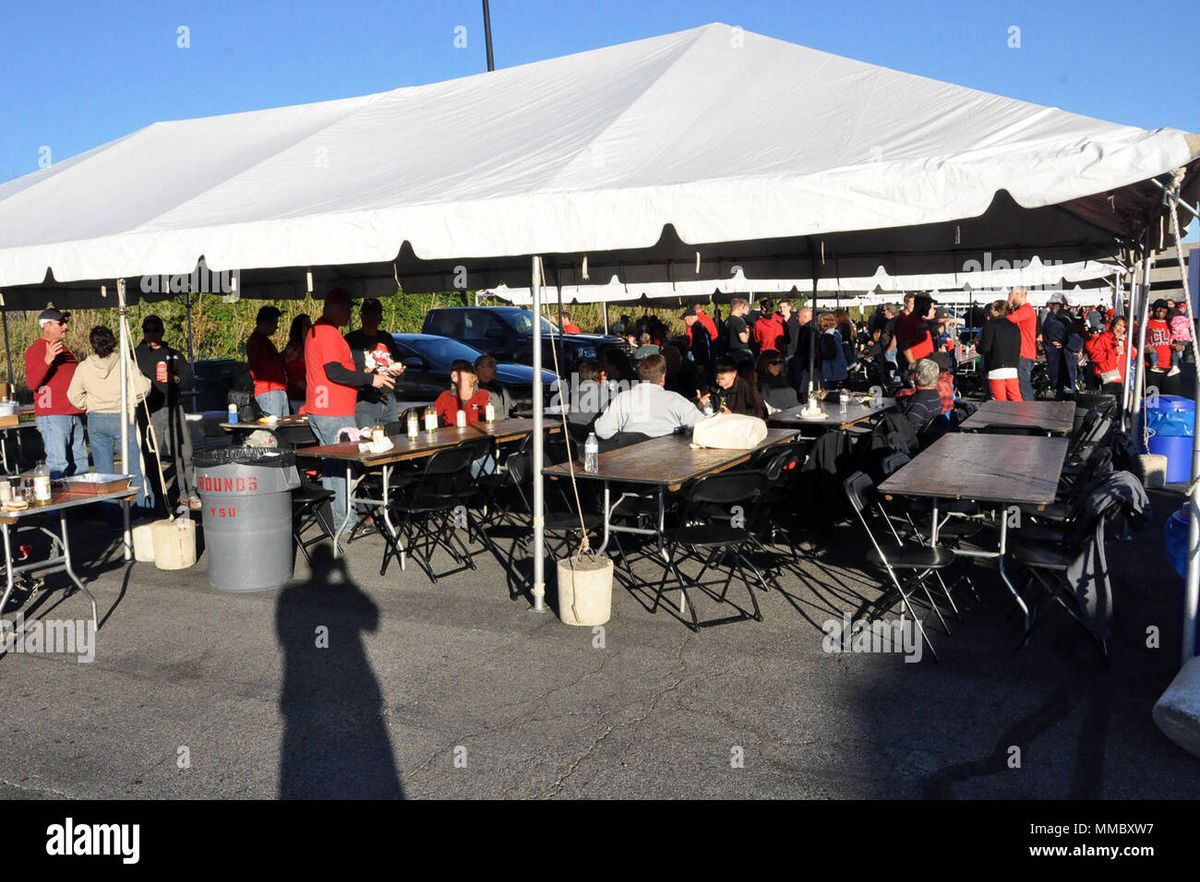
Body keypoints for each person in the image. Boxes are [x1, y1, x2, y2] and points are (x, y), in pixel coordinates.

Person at [305, 289, 395, 532]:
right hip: (332, 410)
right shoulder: (328, 333)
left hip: (326, 408)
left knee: (335, 467)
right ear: (336, 307)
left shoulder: (321, 331)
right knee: (342, 467)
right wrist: (370, 380)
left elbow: (334, 370)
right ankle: (345, 522)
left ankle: (340, 520)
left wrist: (364, 376)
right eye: (348, 307)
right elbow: (334, 371)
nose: (350, 312)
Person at [67, 326, 153, 513]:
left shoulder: (83, 366)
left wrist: (88, 404)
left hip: (96, 418)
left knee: (104, 474)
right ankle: (146, 511)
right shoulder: (124, 362)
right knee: (135, 467)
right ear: (113, 341)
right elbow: (144, 387)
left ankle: (112, 517)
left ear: (92, 344)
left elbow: (72, 395)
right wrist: (131, 400)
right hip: (122, 415)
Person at [135, 315, 199, 511]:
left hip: (173, 408)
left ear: (162, 331)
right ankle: (157, 498)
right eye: (148, 330)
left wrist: (175, 379)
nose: (151, 334)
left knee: (184, 453)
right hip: (148, 411)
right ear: (143, 332)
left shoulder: (172, 354)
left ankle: (187, 493)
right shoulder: (134, 354)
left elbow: (189, 379)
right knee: (150, 457)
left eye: (155, 329)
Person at [25, 308, 88, 479]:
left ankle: (81, 505)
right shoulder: (36, 350)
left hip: (73, 412)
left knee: (81, 463)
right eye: (60, 323)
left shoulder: (63, 349)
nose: (65, 327)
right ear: (47, 326)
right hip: (53, 415)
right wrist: (47, 360)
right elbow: (32, 383)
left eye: (65, 322)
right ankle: (58, 505)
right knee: (59, 465)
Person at [594, 354, 705, 440]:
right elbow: (702, 425)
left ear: (640, 377)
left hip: (631, 461)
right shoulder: (675, 399)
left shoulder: (622, 399)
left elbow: (602, 430)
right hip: (670, 462)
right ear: (663, 378)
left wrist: (623, 438)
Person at [344, 298, 407, 428]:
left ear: (380, 317)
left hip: (389, 398)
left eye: (374, 315)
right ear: (361, 316)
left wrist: (400, 370)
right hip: (366, 400)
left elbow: (399, 362)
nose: (370, 319)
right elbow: (347, 371)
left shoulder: (386, 337)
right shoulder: (351, 340)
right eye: (367, 315)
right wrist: (366, 373)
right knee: (368, 441)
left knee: (393, 439)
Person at [246, 306, 289, 417]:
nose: (276, 327)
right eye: (275, 323)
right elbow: (267, 366)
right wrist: (285, 355)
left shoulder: (262, 340)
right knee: (274, 430)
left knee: (282, 429)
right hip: (269, 391)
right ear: (265, 323)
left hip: (275, 390)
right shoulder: (257, 342)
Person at [977, 300, 1022, 401]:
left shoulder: (990, 325)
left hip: (995, 366)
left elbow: (985, 348)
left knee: (999, 401)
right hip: (1012, 366)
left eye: (991, 309)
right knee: (1016, 399)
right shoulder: (1014, 326)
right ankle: (1021, 416)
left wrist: (978, 346)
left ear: (997, 312)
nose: (990, 312)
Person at [701, 357, 766, 419]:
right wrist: (699, 406)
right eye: (717, 371)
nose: (719, 374)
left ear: (734, 373)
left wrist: (733, 414)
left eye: (724, 371)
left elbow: (761, 411)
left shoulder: (746, 387)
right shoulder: (710, 387)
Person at [898, 358, 946, 440]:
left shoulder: (919, 402)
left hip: (917, 443)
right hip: (930, 438)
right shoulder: (935, 394)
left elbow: (907, 433)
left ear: (916, 376)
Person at [1085, 315, 1131, 398]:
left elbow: (1134, 354)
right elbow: (1095, 357)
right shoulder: (1103, 338)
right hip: (1108, 377)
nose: (1121, 328)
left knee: (1119, 405)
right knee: (1108, 404)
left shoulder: (1124, 340)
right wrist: (1113, 351)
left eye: (1124, 327)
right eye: (1119, 325)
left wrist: (1125, 343)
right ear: (1113, 324)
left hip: (1121, 379)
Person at [433, 360, 490, 427]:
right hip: (452, 436)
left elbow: (490, 417)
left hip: (477, 434)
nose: (453, 372)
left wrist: (476, 407)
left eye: (459, 370)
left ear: (470, 374)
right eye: (452, 370)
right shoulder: (445, 396)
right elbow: (429, 416)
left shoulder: (483, 394)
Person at [1040, 295, 1077, 397]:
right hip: (1062, 367)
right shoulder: (1054, 323)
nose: (1068, 309)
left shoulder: (1061, 321)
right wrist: (1068, 342)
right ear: (1057, 307)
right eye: (1066, 306)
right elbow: (1076, 341)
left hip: (1063, 365)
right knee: (1065, 400)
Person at [1006, 286, 1038, 402]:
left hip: (1024, 353)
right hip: (1024, 353)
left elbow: (1008, 320)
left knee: (1023, 384)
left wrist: (1008, 304)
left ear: (1020, 294)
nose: (1011, 298)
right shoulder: (1024, 310)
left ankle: (1028, 410)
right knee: (1022, 384)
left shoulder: (1026, 310)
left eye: (1012, 296)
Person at [893, 295, 937, 372]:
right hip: (917, 363)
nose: (931, 309)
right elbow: (905, 344)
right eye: (930, 306)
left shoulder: (920, 319)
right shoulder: (908, 320)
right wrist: (913, 364)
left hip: (926, 361)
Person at [1145, 299, 1179, 396]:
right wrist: (1144, 348)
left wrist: (1180, 346)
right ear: (1154, 309)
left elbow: (1179, 340)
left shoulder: (1171, 324)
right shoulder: (1147, 324)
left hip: (1171, 370)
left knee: (1170, 401)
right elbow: (1138, 344)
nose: (1161, 310)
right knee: (1152, 401)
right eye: (1159, 307)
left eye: (1164, 308)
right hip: (1152, 369)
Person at [283, 314, 311, 416]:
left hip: (306, 394)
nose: (309, 326)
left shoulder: (308, 344)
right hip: (297, 395)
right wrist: (307, 388)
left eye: (309, 323)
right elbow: (292, 369)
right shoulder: (294, 346)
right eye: (306, 324)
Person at [474, 354, 512, 420]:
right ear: (479, 368)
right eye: (490, 365)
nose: (495, 368)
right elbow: (474, 409)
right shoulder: (473, 390)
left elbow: (511, 406)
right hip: (489, 426)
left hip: (507, 425)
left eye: (495, 365)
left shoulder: (500, 388)